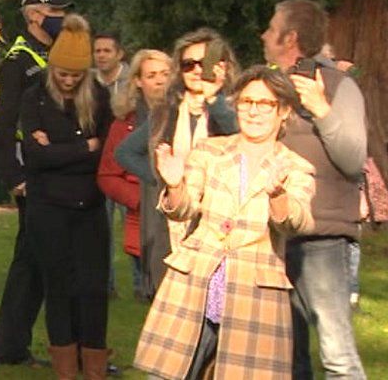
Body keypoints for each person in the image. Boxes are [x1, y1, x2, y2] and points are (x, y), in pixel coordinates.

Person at [135, 65, 316, 379]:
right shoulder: (209, 150)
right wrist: (175, 185)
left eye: (265, 104)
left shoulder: (296, 167)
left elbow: (298, 221)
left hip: (253, 297)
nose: (253, 111)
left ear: (284, 110)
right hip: (194, 287)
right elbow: (182, 209)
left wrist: (277, 196)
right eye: (246, 102)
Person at [261, 0, 368, 379]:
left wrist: (322, 110)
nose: (263, 35)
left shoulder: (339, 86)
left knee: (337, 355)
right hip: (272, 235)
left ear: (289, 38)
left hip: (321, 236)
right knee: (286, 357)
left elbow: (354, 158)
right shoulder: (266, 86)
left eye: (271, 29)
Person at [18, 13, 113, 379]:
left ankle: (94, 367)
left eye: (76, 76)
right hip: (47, 208)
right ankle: (65, 367)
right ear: (53, 69)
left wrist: (59, 147)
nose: (69, 81)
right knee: (57, 286)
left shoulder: (99, 97)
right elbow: (36, 157)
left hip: (89, 206)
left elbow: (103, 150)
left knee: (92, 287)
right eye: (63, 74)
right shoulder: (35, 97)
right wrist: (82, 146)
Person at [115, 28, 239, 300]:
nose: (197, 70)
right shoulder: (167, 113)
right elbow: (124, 152)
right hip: (174, 225)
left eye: (205, 63)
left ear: (224, 66)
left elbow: (239, 139)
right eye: (188, 64)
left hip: (225, 225)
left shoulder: (242, 105)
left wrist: (213, 99)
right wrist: (164, 181)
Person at [0, 0, 73, 366]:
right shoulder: (18, 60)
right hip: (33, 175)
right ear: (35, 15)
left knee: (38, 260)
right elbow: (3, 125)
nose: (64, 18)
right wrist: (14, 177)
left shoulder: (56, 52)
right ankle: (11, 346)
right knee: (32, 260)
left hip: (59, 170)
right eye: (57, 12)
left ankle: (13, 347)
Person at [97, 49, 172, 303]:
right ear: (138, 81)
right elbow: (107, 175)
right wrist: (141, 198)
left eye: (165, 73)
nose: (160, 80)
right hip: (143, 221)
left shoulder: (184, 116)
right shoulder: (124, 123)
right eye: (152, 75)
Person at [92, 31, 130, 299]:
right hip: (100, 164)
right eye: (98, 51)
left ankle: (144, 286)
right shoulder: (88, 82)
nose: (102, 55)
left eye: (107, 50)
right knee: (101, 229)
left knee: (137, 227)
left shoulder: (132, 81)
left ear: (119, 54)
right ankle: (106, 286)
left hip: (130, 165)